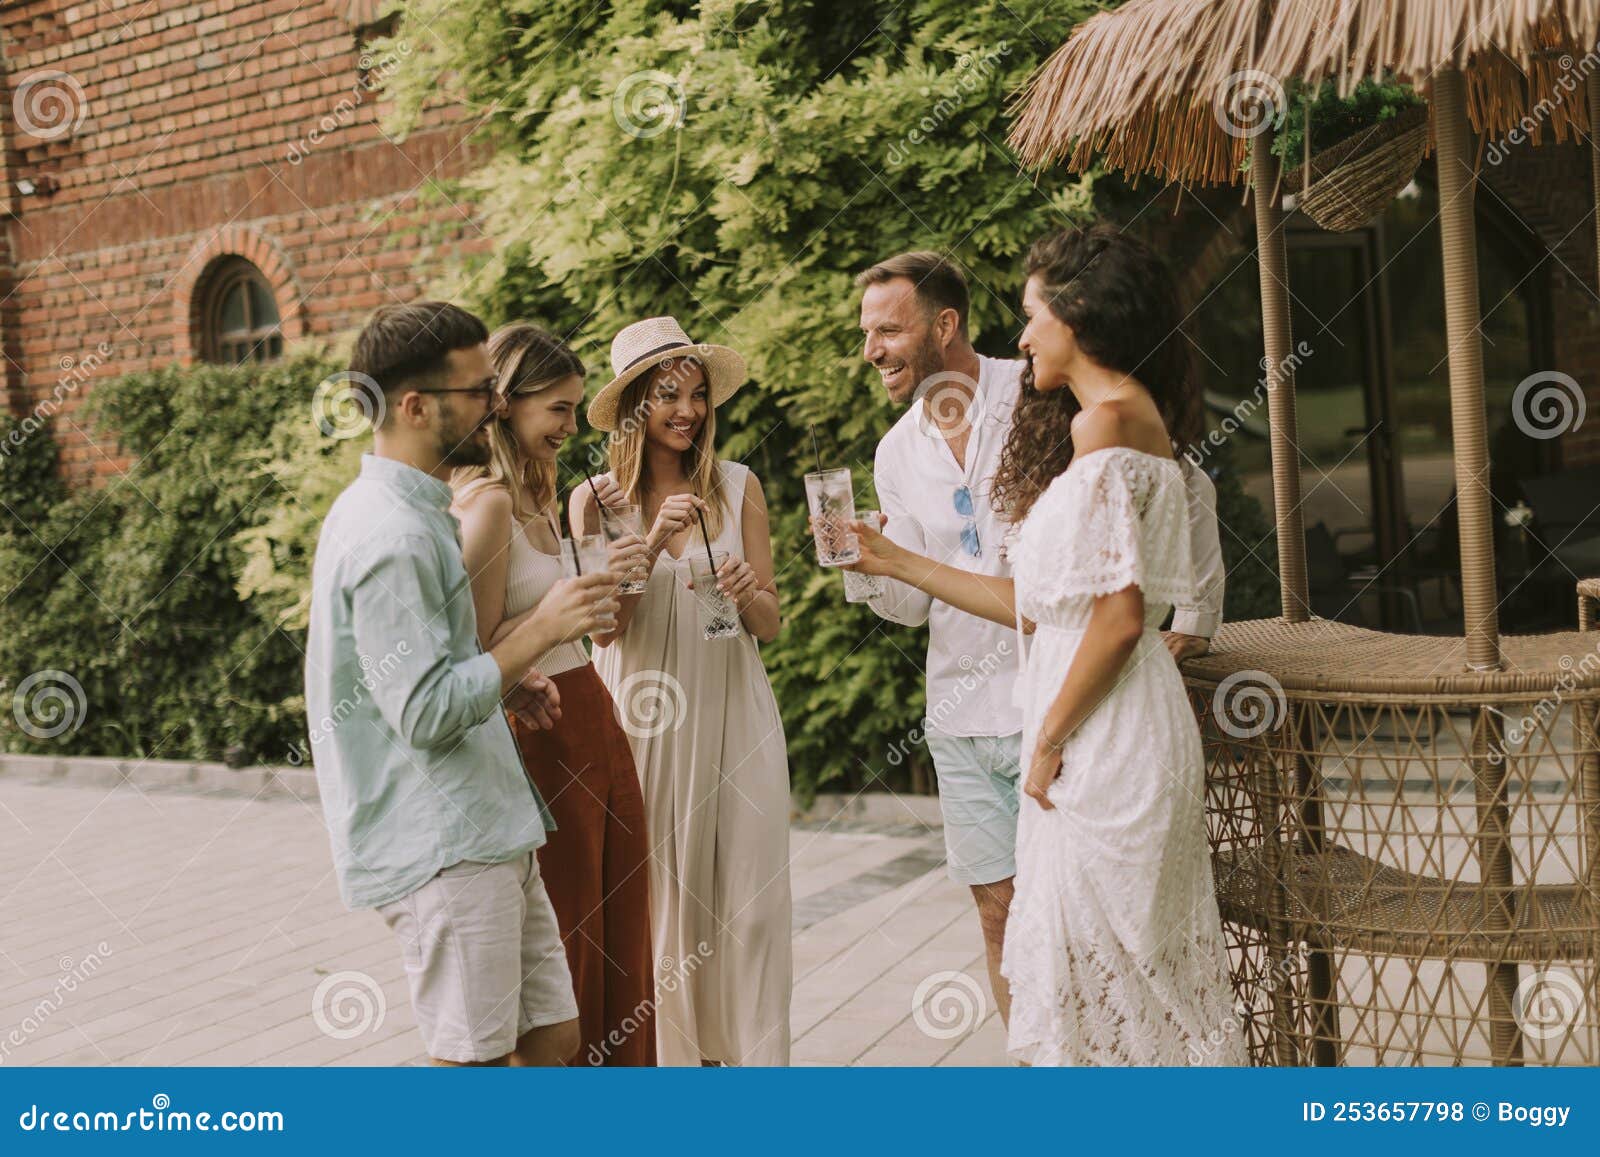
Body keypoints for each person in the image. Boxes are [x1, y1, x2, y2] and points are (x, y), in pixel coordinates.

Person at [846, 228, 1247, 1066]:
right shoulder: (1115, 416)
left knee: (1114, 963)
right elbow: (1037, 605)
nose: (1022, 334)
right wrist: (885, 561)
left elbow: (1118, 614)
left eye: (1032, 315)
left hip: (1089, 727)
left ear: (1077, 315)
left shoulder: (1087, 419)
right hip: (1055, 713)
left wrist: (1052, 739)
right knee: (1075, 954)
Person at [304, 302, 619, 1067]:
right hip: (439, 843)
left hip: (487, 820)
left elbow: (433, 675)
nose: (496, 405)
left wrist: (506, 683)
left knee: (552, 1035)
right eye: (479, 392)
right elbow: (426, 713)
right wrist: (543, 628)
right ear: (413, 406)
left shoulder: (418, 511)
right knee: (473, 1062)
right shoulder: (392, 534)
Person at [574, 315, 792, 1066]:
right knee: (666, 911)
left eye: (697, 395)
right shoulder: (596, 501)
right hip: (645, 719)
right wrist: (655, 544)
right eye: (668, 394)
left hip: (735, 709)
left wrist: (743, 589)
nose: (688, 411)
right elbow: (605, 630)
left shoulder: (737, 486)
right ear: (636, 403)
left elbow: (769, 620)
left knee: (753, 905)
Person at [451, 322, 657, 1066]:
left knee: (626, 932)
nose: (573, 428)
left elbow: (591, 629)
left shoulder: (544, 496)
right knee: (574, 939)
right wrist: (545, 624)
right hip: (543, 739)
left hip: (596, 720)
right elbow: (470, 653)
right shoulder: (487, 506)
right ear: (505, 404)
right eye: (559, 410)